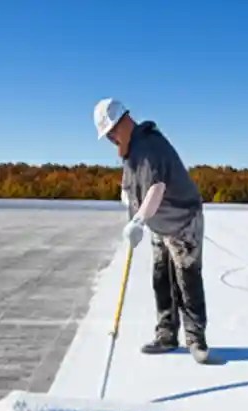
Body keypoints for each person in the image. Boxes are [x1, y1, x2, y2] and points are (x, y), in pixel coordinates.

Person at [94, 98, 210, 364]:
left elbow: (156, 189)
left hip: (183, 219)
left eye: (112, 130)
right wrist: (130, 208)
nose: (111, 137)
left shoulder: (149, 147)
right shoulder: (130, 151)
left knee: (187, 277)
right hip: (159, 223)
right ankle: (167, 334)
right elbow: (128, 188)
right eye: (107, 134)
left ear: (125, 120)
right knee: (161, 276)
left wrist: (139, 221)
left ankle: (196, 338)